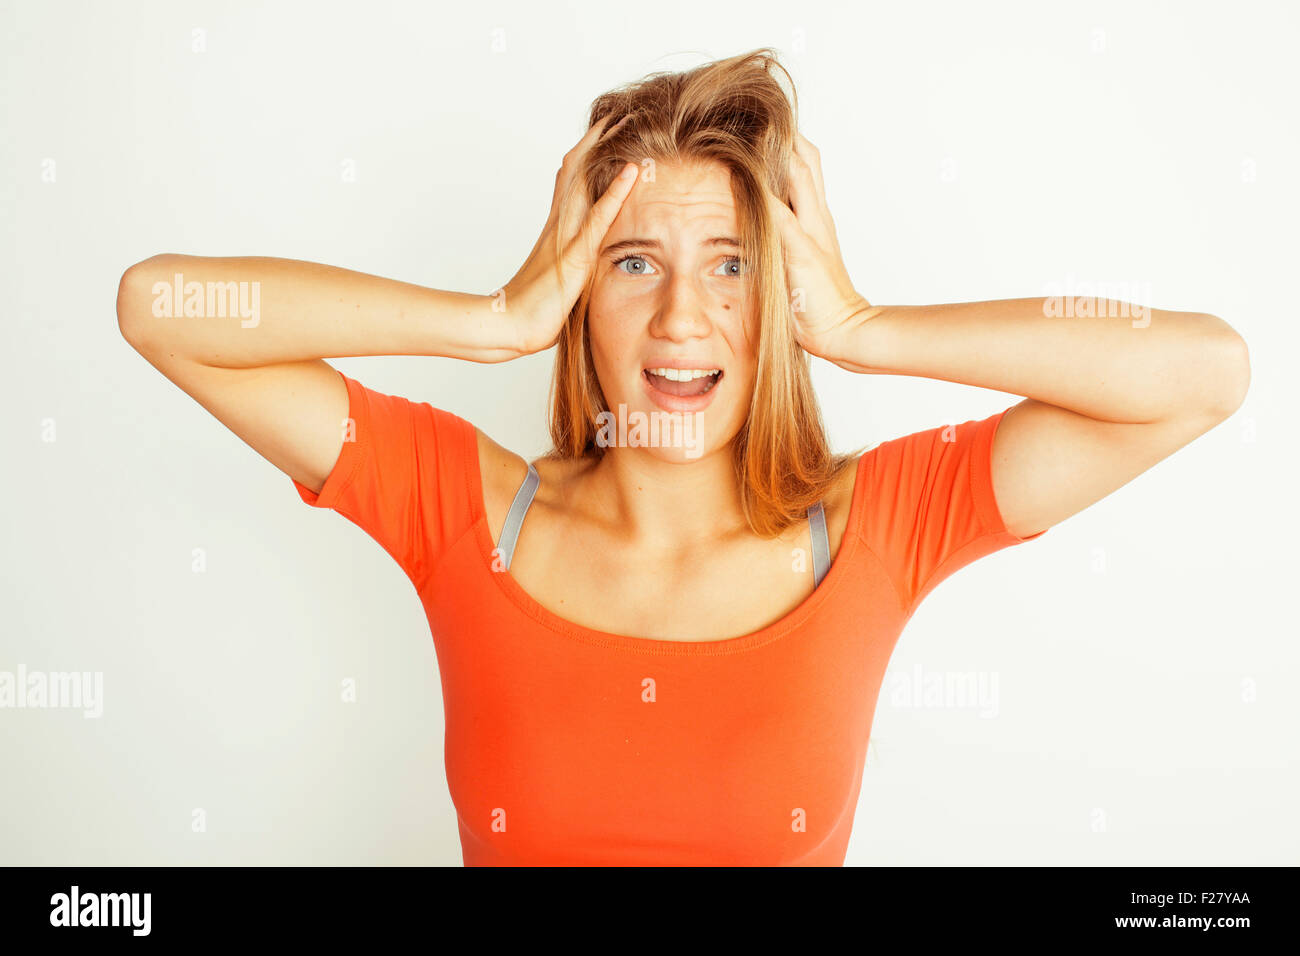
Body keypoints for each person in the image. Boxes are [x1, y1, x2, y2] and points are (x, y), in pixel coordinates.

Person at [115, 48, 1250, 865]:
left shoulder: (880, 522)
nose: (681, 320)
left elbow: (1204, 372)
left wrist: (864, 328)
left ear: (779, 292)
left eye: (729, 264)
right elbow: (160, 306)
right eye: (633, 264)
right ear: (580, 293)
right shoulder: (462, 506)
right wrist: (496, 315)